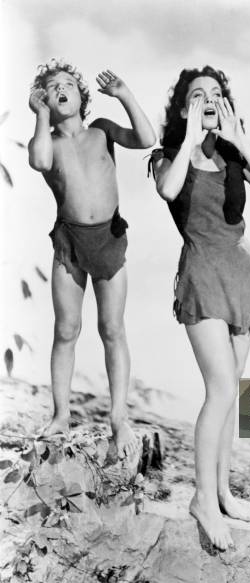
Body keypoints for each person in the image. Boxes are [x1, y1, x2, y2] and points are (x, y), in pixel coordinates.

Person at [150, 66, 250, 550]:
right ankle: (202, 499)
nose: (209, 99)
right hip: (202, 275)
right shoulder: (169, 157)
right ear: (184, 107)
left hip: (244, 276)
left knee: (233, 396)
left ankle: (222, 491)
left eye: (217, 93)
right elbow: (167, 190)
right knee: (220, 388)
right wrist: (188, 138)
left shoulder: (230, 150)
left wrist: (240, 141)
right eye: (198, 95)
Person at [28, 60, 156, 458]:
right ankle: (61, 413)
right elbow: (39, 161)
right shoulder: (48, 140)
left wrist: (124, 95)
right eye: (52, 87)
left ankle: (119, 419)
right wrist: (41, 117)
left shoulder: (101, 129)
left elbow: (146, 137)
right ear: (43, 99)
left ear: (82, 96)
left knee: (112, 329)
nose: (61, 88)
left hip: (108, 238)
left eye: (68, 83)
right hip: (69, 241)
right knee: (66, 329)